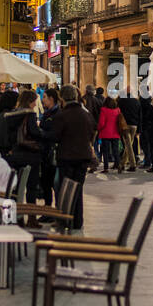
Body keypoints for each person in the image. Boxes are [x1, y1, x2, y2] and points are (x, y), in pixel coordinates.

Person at [50, 84, 97, 230]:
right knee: (78, 189)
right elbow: (92, 132)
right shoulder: (86, 114)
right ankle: (78, 221)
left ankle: (66, 220)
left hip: (67, 157)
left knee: (66, 190)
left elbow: (55, 137)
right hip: (83, 157)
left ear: (61, 98)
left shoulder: (62, 115)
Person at [0, 88, 45, 201]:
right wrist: (44, 135)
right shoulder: (29, 114)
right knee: (31, 187)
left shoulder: (10, 116)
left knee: (15, 186)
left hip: (15, 154)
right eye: (34, 101)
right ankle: (31, 215)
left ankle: (14, 212)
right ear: (29, 101)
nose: (35, 104)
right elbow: (34, 132)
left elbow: (9, 135)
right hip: (30, 155)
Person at [38, 87, 60, 205]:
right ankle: (48, 209)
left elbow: (55, 134)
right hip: (46, 153)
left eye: (45, 97)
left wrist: (41, 133)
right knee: (46, 183)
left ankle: (55, 211)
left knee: (53, 184)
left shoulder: (57, 114)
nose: (42, 100)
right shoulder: (47, 113)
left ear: (51, 99)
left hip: (53, 154)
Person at [97, 95, 124, 172]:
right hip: (115, 133)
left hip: (105, 133)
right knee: (116, 150)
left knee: (105, 151)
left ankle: (106, 168)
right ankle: (118, 166)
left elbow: (102, 123)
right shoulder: (118, 110)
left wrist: (98, 128)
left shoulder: (103, 110)